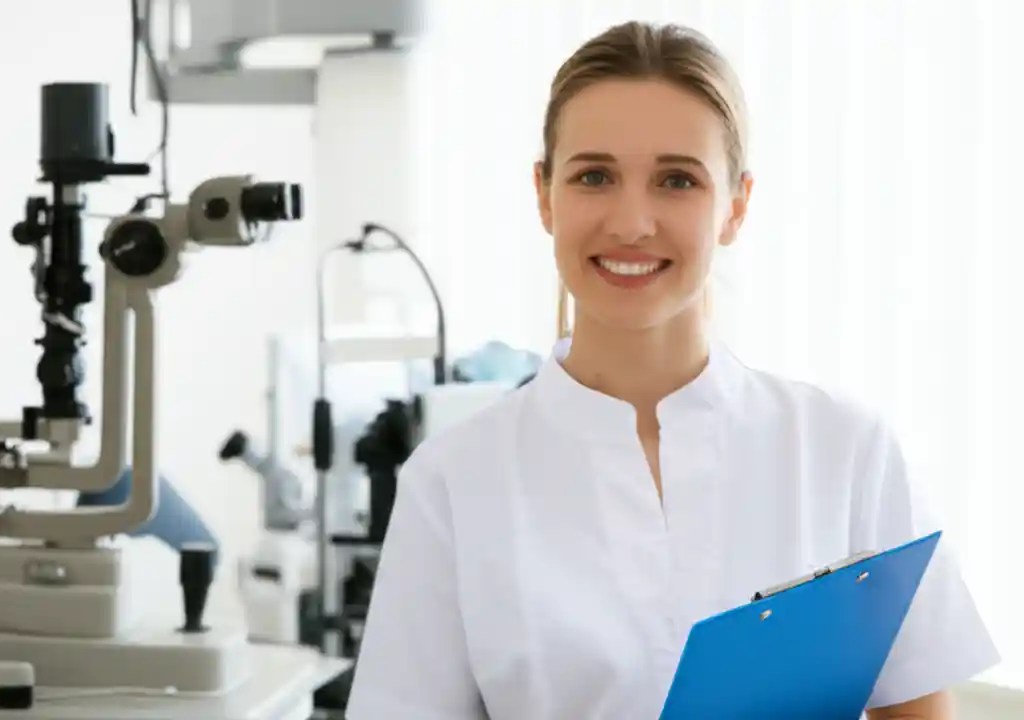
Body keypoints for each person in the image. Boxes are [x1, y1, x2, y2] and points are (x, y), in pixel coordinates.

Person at [344, 20, 999, 720]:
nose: (632, 221)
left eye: (677, 180)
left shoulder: (845, 451)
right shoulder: (452, 484)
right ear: (544, 195)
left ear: (736, 205)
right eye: (594, 176)